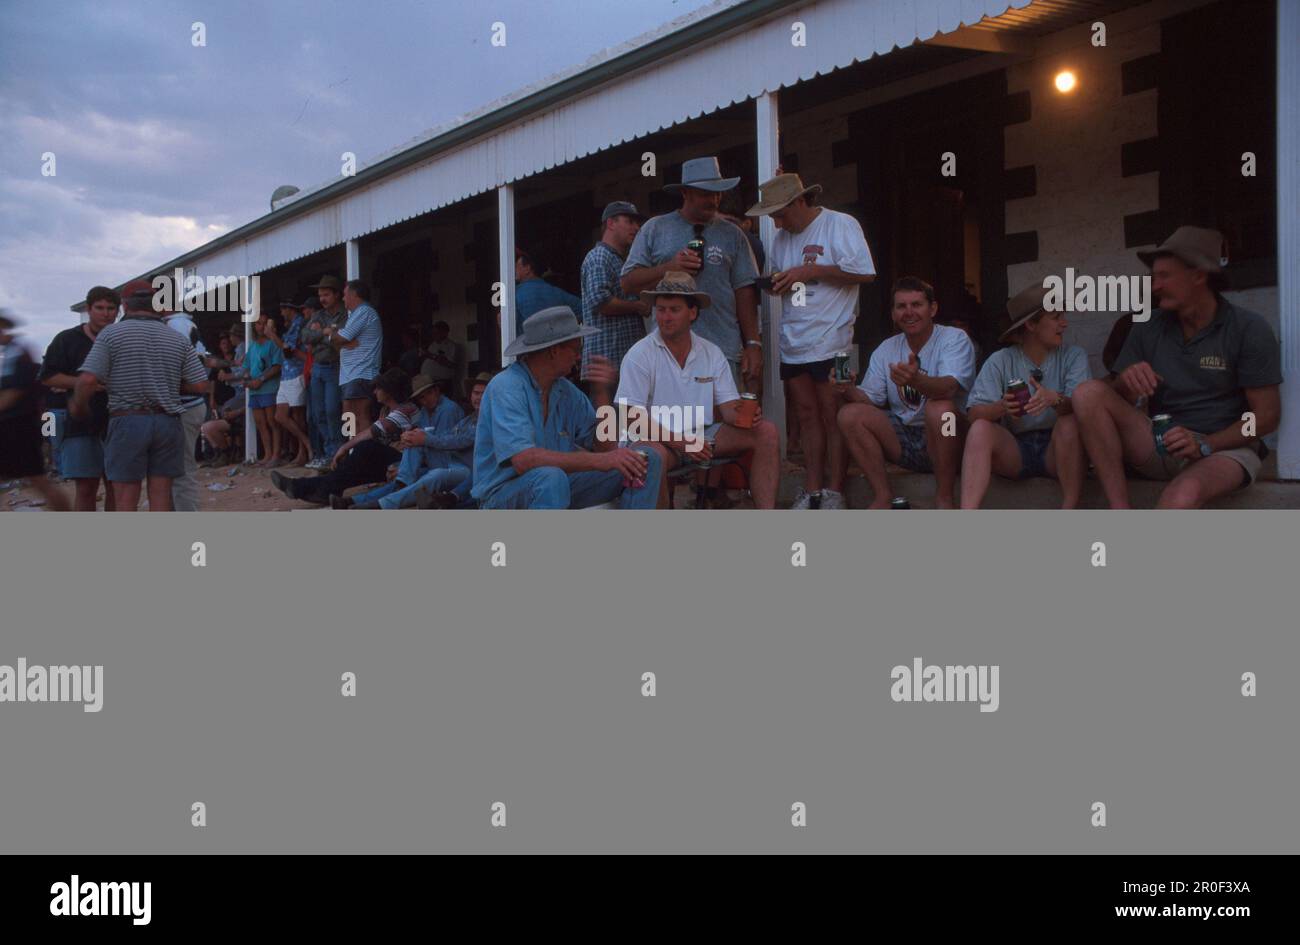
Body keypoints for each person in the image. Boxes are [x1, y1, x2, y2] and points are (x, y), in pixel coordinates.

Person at [1072, 226, 1282, 508]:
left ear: (1198, 275)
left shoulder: (1248, 328)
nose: (1154, 286)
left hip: (1225, 448)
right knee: (1087, 393)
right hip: (1160, 441)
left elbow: (1266, 417)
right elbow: (1114, 399)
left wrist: (1206, 443)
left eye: (1164, 276)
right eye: (1153, 277)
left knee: (1180, 496)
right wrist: (1124, 381)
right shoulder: (1146, 326)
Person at [747, 172, 876, 509]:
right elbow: (789, 282)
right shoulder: (780, 240)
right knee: (806, 414)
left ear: (800, 201)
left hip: (836, 336)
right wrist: (781, 283)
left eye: (780, 213)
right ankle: (813, 489)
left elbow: (866, 272)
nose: (775, 222)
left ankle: (835, 491)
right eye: (772, 215)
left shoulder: (840, 224)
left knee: (833, 412)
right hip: (794, 337)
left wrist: (813, 271)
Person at [610, 272, 780, 509]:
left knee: (766, 431)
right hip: (656, 440)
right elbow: (631, 419)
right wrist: (682, 442)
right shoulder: (640, 354)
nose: (665, 317)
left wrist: (745, 413)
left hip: (700, 436)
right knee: (651, 457)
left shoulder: (711, 352)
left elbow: (729, 408)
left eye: (674, 309)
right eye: (660, 309)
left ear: (693, 312)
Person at [472, 306, 661, 509]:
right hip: (502, 495)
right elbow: (524, 461)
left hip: (559, 483)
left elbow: (606, 448)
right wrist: (600, 461)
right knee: (551, 478)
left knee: (644, 460)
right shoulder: (506, 387)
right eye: (576, 349)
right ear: (554, 350)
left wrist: (601, 394)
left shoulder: (566, 391)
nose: (579, 357)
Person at [621, 156, 762, 392]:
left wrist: (753, 343)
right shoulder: (655, 229)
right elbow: (627, 283)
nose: (714, 199)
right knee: (677, 423)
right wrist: (669, 268)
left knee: (724, 420)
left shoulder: (733, 234)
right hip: (668, 352)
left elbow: (744, 290)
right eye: (706, 193)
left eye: (718, 193)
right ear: (686, 193)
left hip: (723, 347)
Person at [835, 276, 976, 508]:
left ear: (933, 309)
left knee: (941, 411)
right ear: (893, 314)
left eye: (917, 305)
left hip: (949, 438)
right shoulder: (886, 349)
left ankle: (944, 498)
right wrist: (846, 389)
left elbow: (949, 388)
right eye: (901, 306)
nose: (909, 312)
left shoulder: (954, 338)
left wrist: (916, 379)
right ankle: (883, 496)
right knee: (849, 414)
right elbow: (871, 399)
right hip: (905, 437)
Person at [71, 281, 208, 512]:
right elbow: (201, 384)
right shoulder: (175, 338)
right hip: (167, 422)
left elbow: (87, 380)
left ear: (124, 306)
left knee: (126, 500)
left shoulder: (111, 335)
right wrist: (165, 385)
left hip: (128, 420)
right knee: (161, 498)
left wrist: (79, 405)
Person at [960, 284, 1090, 509]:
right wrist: (1002, 407)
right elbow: (973, 414)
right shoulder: (1001, 360)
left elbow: (1084, 408)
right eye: (1056, 317)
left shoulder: (1073, 356)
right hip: (1016, 449)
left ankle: (1070, 508)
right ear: (1031, 324)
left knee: (1069, 424)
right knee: (981, 429)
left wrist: (1055, 399)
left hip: (1057, 449)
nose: (1064, 323)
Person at [270, 368, 417, 505]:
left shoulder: (404, 410)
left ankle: (306, 487)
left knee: (364, 446)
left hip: (402, 462)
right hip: (389, 457)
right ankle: (313, 488)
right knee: (350, 465)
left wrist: (345, 447)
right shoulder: (386, 410)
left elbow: (371, 432)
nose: (375, 391)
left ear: (389, 391)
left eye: (379, 388)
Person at [333, 374, 466, 509]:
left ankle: (389, 493)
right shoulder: (424, 412)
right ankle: (355, 500)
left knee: (410, 447)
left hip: (451, 464)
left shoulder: (448, 409)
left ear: (437, 390)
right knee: (408, 451)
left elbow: (446, 445)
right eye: (421, 397)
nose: (425, 400)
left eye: (429, 394)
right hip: (431, 462)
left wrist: (420, 441)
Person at [39, 286, 119, 510]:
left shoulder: (122, 338)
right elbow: (47, 377)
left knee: (117, 487)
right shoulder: (66, 340)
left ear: (118, 311)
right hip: (81, 423)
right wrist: (82, 384)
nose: (105, 313)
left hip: (119, 421)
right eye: (100, 308)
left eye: (111, 308)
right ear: (89, 309)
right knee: (86, 488)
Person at [1, 310, 70, 510]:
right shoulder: (11, 354)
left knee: (40, 481)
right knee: (40, 481)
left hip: (17, 428)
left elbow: (13, 392)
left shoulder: (17, 353)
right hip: (16, 427)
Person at [579, 201, 650, 388]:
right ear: (611, 223)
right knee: (609, 417)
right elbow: (601, 302)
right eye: (630, 221)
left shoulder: (621, 260)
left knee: (629, 418)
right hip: (606, 364)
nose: (636, 228)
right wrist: (638, 306)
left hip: (623, 364)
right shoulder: (599, 257)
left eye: (637, 223)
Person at [158, 278, 213, 511]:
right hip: (188, 404)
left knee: (181, 471)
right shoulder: (183, 323)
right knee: (175, 470)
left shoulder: (176, 325)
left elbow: (183, 368)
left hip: (185, 405)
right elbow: (205, 361)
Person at [301, 276, 348, 468]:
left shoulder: (345, 315)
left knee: (332, 410)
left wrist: (324, 335)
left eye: (326, 294)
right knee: (318, 413)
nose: (322, 298)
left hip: (335, 366)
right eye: (320, 295)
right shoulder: (318, 316)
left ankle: (339, 450)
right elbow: (305, 336)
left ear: (337, 294)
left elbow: (342, 339)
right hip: (318, 368)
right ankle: (330, 452)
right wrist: (324, 333)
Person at [329, 279, 384, 435]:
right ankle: (353, 452)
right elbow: (341, 342)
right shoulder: (356, 315)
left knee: (360, 415)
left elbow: (340, 339)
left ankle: (363, 454)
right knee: (349, 417)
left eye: (345, 295)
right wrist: (339, 338)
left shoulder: (364, 311)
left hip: (361, 373)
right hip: (351, 375)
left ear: (354, 294)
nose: (343, 298)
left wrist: (330, 332)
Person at [267, 300, 312, 466]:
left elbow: (288, 350)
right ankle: (306, 443)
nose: (281, 313)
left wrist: (273, 336)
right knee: (280, 416)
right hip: (287, 375)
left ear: (289, 309)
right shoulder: (292, 324)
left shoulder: (299, 323)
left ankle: (303, 452)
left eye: (283, 309)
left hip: (296, 373)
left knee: (297, 416)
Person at [243, 311, 284, 465]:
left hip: (269, 388)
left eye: (264, 323)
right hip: (254, 390)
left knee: (272, 422)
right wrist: (247, 377)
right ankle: (267, 454)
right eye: (258, 323)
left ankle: (276, 455)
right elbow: (246, 366)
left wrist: (260, 379)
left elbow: (277, 366)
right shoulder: (253, 346)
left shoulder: (273, 343)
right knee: (260, 423)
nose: (261, 326)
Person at [514, 250, 581, 334]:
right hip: (553, 344)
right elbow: (583, 309)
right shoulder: (556, 292)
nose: (514, 269)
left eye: (516, 266)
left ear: (527, 268)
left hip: (526, 345)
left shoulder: (515, 293)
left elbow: (505, 322)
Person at [420, 320, 462, 400]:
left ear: (445, 332)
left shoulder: (451, 346)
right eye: (433, 333)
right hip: (430, 382)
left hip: (443, 383)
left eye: (437, 333)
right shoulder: (432, 345)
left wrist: (432, 356)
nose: (434, 335)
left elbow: (451, 364)